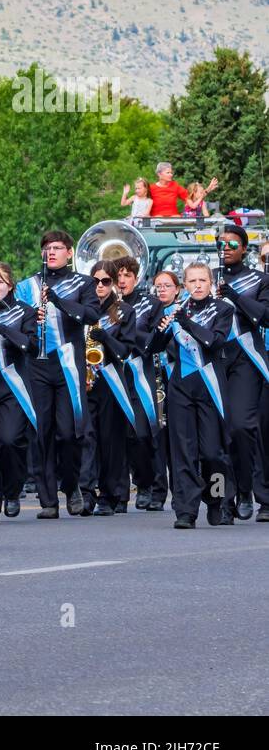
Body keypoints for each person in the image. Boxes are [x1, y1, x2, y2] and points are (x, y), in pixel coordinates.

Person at [15, 230, 100, 518]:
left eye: (58, 248)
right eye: (48, 248)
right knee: (42, 433)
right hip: (37, 365)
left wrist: (58, 302)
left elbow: (91, 316)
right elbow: (17, 321)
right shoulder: (28, 286)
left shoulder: (83, 283)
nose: (52, 252)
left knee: (68, 432)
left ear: (69, 252)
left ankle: (72, 485)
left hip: (68, 365)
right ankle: (48, 499)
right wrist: (31, 317)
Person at [153, 263, 235, 528]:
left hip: (210, 385)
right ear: (184, 286)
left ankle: (218, 500)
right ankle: (185, 510)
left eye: (202, 280)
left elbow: (215, 341)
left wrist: (184, 323)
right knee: (183, 451)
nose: (198, 285)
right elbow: (151, 347)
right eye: (192, 281)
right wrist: (161, 330)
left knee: (213, 452)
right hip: (181, 387)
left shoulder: (223, 309)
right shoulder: (173, 311)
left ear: (211, 283)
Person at [214, 225, 269, 521]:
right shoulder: (206, 277)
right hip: (211, 360)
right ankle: (221, 499)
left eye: (232, 243)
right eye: (221, 243)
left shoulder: (259, 280)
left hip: (244, 360)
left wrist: (233, 295)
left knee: (241, 428)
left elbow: (265, 316)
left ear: (244, 248)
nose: (226, 247)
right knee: (215, 435)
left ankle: (248, 489)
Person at [0, 262, 37, 521]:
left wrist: (1, 329)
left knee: (9, 441)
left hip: (13, 385)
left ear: (10, 285)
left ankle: (12, 491)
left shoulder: (23, 312)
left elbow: (31, 345)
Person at [81, 259, 137, 516]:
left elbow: (126, 350)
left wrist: (105, 338)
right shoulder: (84, 310)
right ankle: (88, 490)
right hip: (85, 380)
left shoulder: (124, 311)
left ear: (113, 283)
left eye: (106, 281)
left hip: (110, 380)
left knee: (110, 440)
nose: (100, 286)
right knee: (87, 437)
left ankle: (111, 493)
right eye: (95, 281)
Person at [114, 257, 163, 510]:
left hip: (140, 375)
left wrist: (127, 328)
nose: (121, 281)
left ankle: (149, 484)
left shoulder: (151, 304)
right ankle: (120, 494)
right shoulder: (106, 305)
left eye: (126, 275)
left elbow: (154, 339)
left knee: (143, 433)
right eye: (118, 276)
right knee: (120, 437)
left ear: (136, 277)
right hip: (113, 376)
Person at [146, 270, 183, 511]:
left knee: (177, 438)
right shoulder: (151, 311)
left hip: (176, 377)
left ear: (177, 289)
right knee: (157, 436)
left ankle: (180, 492)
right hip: (154, 377)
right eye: (158, 286)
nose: (162, 290)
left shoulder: (181, 311)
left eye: (167, 286)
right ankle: (158, 492)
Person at [148, 163, 217, 219]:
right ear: (159, 174)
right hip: (157, 220)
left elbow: (193, 197)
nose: (171, 175)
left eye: (171, 173)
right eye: (168, 173)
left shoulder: (175, 186)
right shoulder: (151, 188)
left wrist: (208, 189)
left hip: (174, 219)